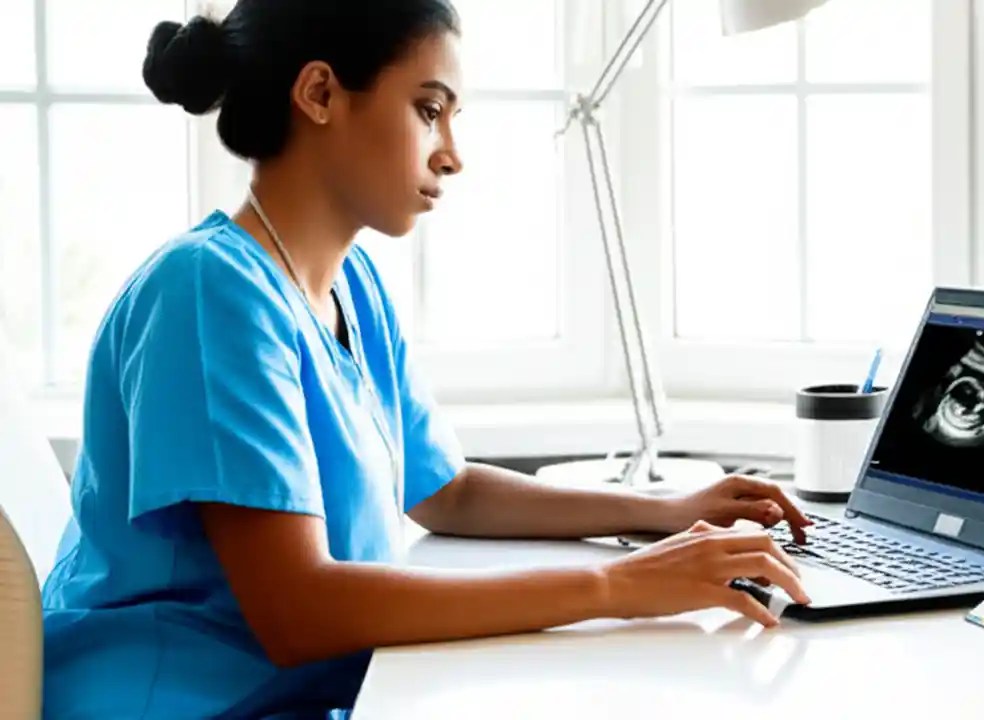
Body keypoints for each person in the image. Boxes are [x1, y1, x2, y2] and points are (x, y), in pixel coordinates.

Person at [40, 1, 813, 716]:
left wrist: (666, 518)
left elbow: (447, 492)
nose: (452, 155)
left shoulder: (352, 286)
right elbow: (298, 610)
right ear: (319, 94)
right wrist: (616, 585)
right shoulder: (208, 293)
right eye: (429, 110)